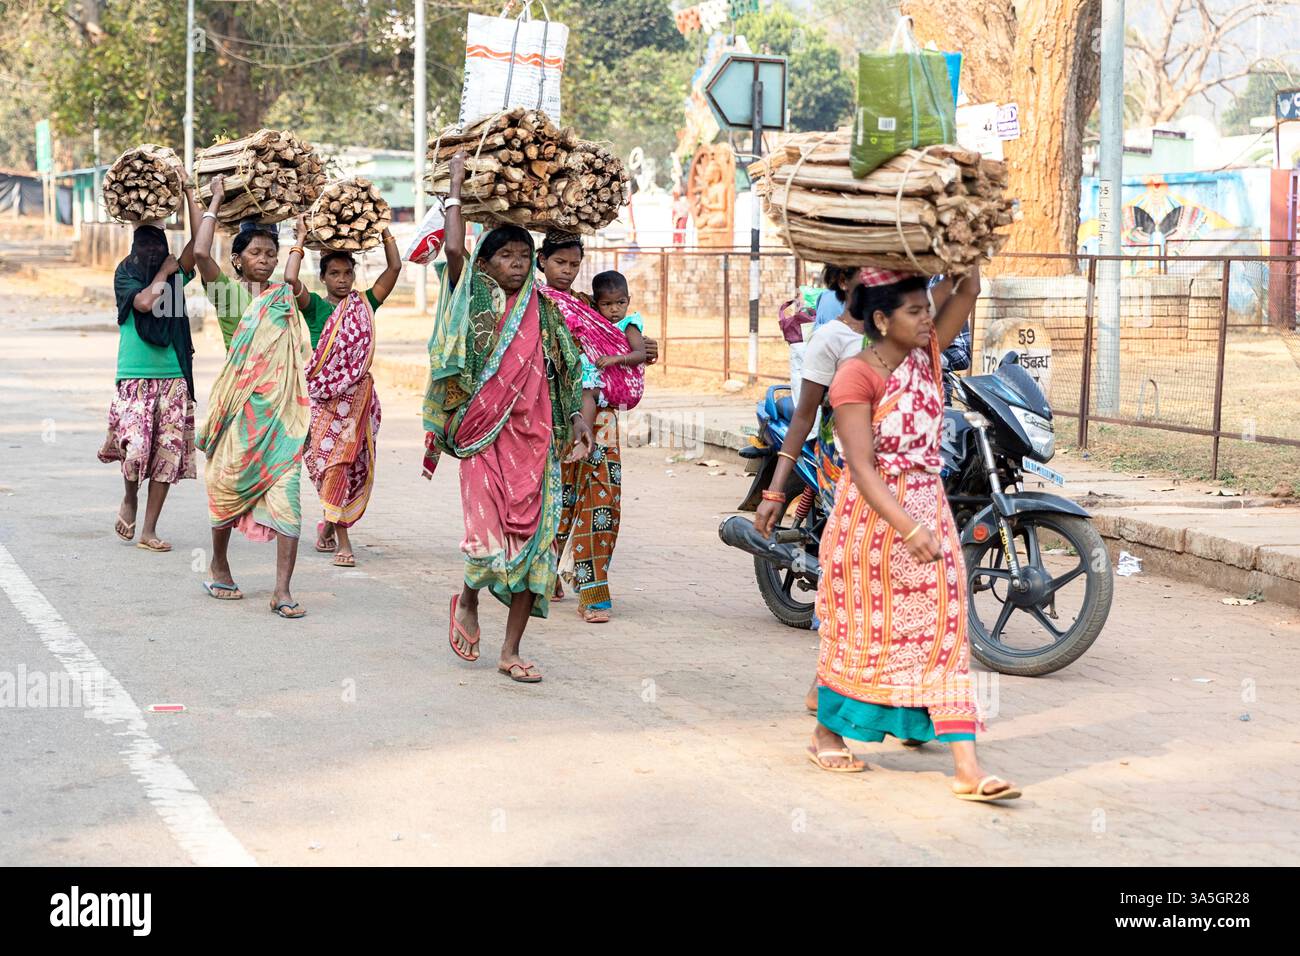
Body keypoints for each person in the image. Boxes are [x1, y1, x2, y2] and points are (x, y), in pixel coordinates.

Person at [807, 266, 1020, 802]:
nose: (929, 318)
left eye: (929, 309)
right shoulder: (855, 375)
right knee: (866, 635)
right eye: (916, 310)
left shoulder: (927, 356)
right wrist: (907, 527)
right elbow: (860, 467)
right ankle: (826, 732)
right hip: (873, 525)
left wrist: (969, 247)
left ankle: (968, 767)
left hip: (931, 512)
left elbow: (969, 288)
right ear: (882, 319)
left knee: (946, 637)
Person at [425, 152, 594, 683]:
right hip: (481, 438)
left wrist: (583, 421)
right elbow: (454, 247)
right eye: (508, 256)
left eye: (525, 255)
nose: (518, 263)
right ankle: (469, 598)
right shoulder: (472, 293)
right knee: (485, 543)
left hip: (536, 444)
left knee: (535, 548)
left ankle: (512, 649)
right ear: (487, 263)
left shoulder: (545, 309)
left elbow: (575, 368)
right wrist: (456, 184)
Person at [756, 268, 906, 712]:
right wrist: (774, 493)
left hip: (897, 468)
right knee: (852, 577)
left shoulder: (900, 330)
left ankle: (883, 690)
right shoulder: (831, 339)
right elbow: (803, 417)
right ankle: (828, 684)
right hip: (843, 468)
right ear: (843, 282)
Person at [193, 175, 311, 619]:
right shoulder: (226, 296)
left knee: (289, 498)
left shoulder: (283, 297)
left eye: (271, 254)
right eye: (256, 253)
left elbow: (296, 283)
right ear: (238, 260)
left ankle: (282, 589)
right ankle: (219, 562)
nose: (264, 260)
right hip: (239, 415)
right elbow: (201, 253)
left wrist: (299, 244)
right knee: (225, 489)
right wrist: (215, 202)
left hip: (282, 418)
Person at [284, 219, 402, 567]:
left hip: (357, 400)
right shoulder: (316, 308)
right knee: (329, 465)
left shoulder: (365, 303)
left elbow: (395, 267)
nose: (342, 280)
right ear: (323, 277)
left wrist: (382, 229)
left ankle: (334, 531)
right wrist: (301, 239)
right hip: (323, 399)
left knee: (347, 465)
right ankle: (338, 534)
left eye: (347, 272)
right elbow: (291, 280)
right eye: (334, 273)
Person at [539, 254, 648, 623]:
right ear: (542, 261)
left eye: (573, 263)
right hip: (552, 415)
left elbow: (632, 345)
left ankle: (593, 588)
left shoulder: (587, 306)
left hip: (602, 419)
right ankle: (544, 572)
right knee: (558, 497)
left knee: (604, 495)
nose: (566, 270)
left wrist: (643, 351)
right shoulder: (532, 302)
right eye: (559, 262)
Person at [98, 169, 202, 553]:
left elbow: (200, 243)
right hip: (134, 377)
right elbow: (144, 303)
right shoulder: (126, 273)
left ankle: (150, 529)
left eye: (157, 248)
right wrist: (163, 270)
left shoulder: (179, 276)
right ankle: (129, 497)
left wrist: (191, 192)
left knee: (166, 456)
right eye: (145, 247)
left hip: (173, 375)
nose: (151, 253)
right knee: (136, 449)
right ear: (134, 248)